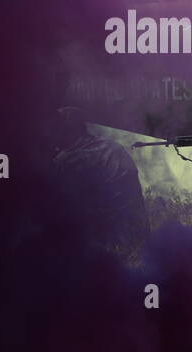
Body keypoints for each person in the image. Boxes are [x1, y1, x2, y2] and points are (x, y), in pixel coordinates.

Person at [53, 106, 149, 249]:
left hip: (108, 240)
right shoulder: (111, 146)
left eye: (58, 130)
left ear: (68, 130)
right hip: (137, 233)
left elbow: (60, 206)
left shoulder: (71, 159)